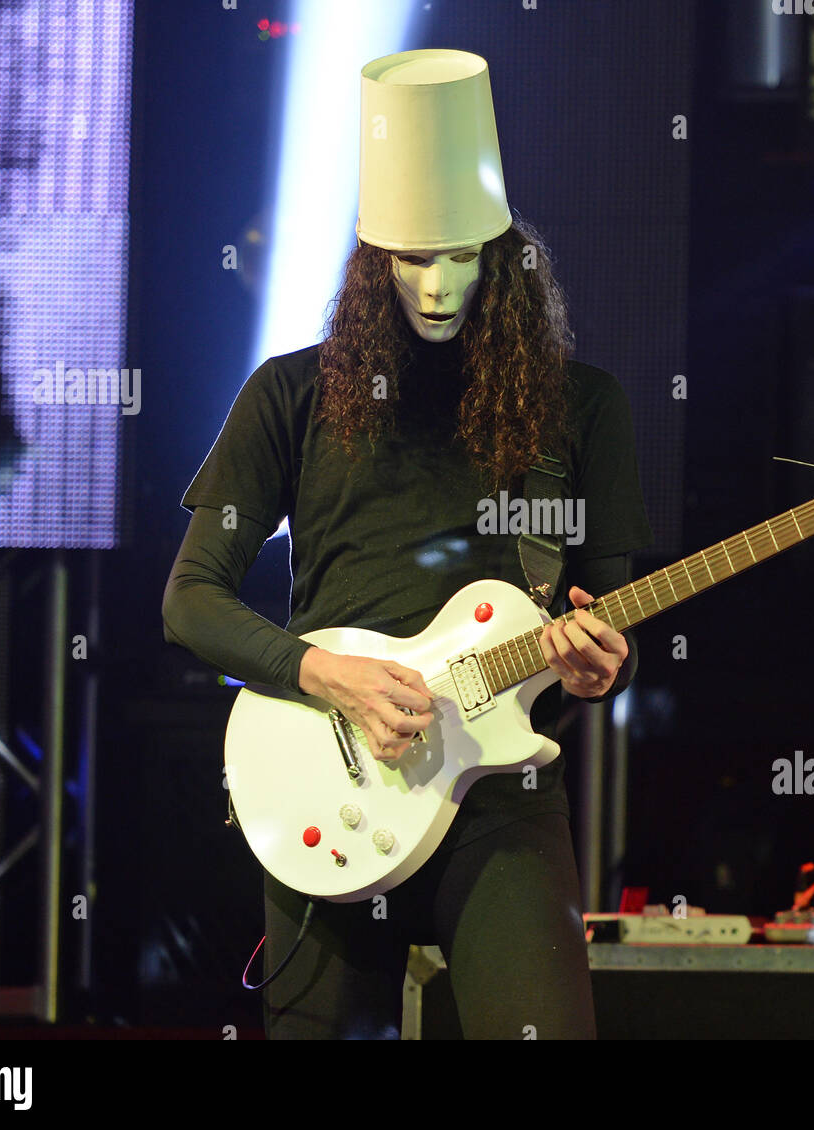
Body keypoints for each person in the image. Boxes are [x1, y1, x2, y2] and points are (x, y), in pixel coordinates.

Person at [161, 49, 651, 1039]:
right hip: (330, 779)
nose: (435, 284)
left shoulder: (582, 407)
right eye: (411, 257)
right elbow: (191, 600)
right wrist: (323, 672)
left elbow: (607, 616)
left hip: (504, 796)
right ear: (371, 258)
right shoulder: (288, 395)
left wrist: (604, 667)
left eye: (460, 255)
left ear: (503, 256)